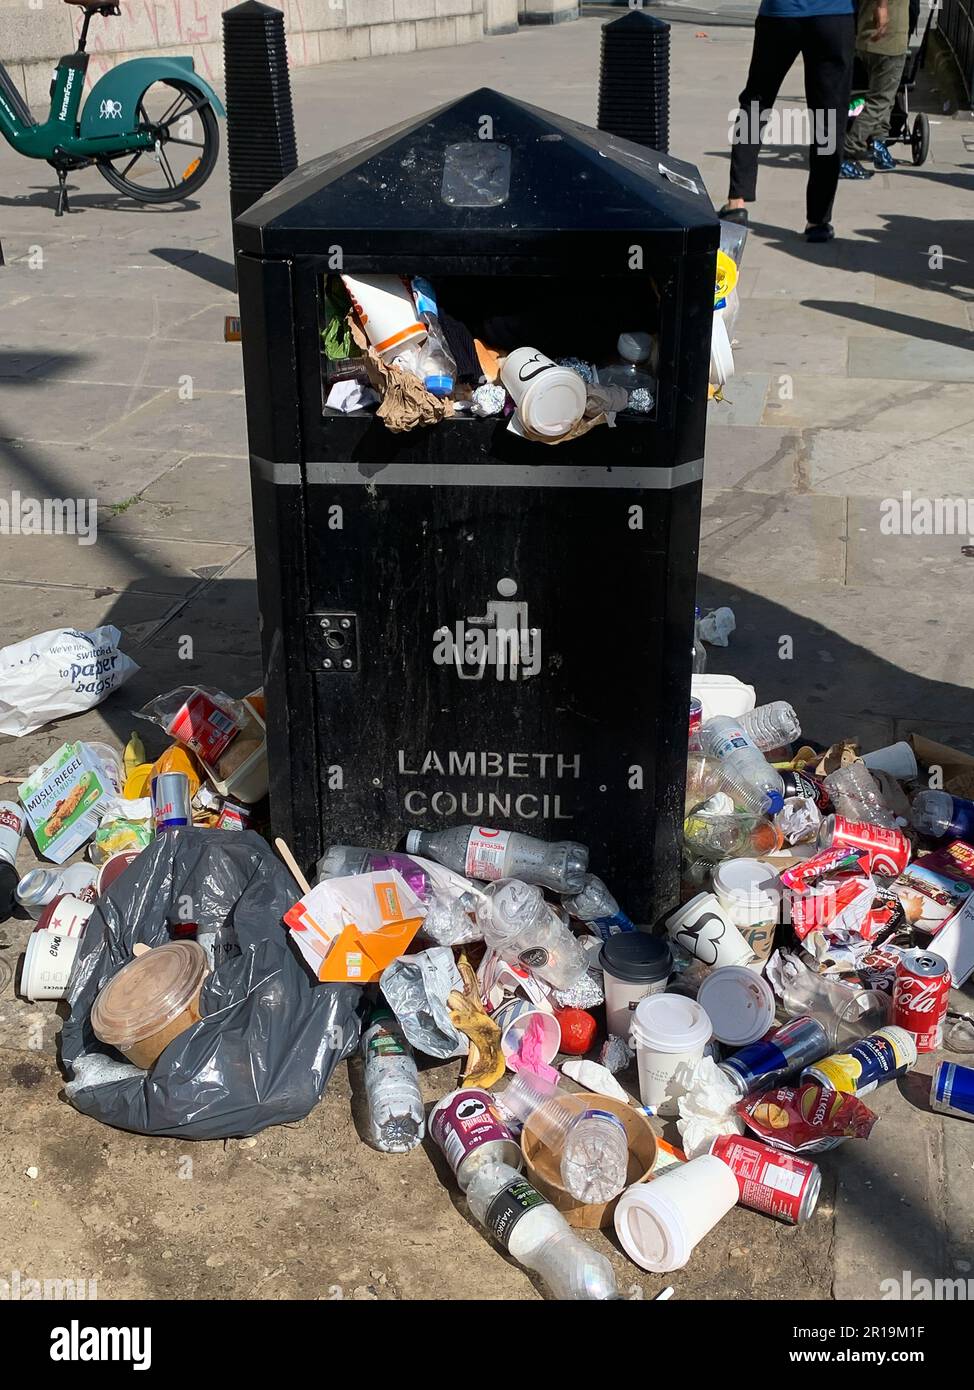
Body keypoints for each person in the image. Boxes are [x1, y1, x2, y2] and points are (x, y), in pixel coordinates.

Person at [721, 0, 888, 242]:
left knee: (756, 103)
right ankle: (818, 220)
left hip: (780, 13)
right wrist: (881, 6)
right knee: (828, 117)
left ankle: (736, 200)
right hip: (834, 15)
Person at [841, 0, 910, 178]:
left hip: (867, 40)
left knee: (885, 97)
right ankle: (848, 151)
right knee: (879, 101)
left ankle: (879, 144)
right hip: (889, 41)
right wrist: (883, 7)